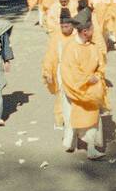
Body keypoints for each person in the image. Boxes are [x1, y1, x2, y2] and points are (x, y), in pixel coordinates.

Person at [58, 8, 106, 159]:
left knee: (93, 118)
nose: (94, 31)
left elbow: (101, 66)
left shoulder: (92, 47)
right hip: (73, 88)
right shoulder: (71, 48)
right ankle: (71, 142)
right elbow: (70, 72)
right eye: (92, 29)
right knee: (71, 115)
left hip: (91, 90)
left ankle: (91, 147)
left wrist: (97, 78)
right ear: (85, 31)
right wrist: (86, 80)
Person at [41, 8, 77, 132]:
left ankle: (74, 119)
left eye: (67, 26)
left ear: (72, 25)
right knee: (60, 95)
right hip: (61, 71)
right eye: (62, 26)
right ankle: (59, 120)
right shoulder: (56, 36)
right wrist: (47, 71)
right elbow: (50, 56)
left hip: (75, 71)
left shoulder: (77, 36)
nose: (64, 29)